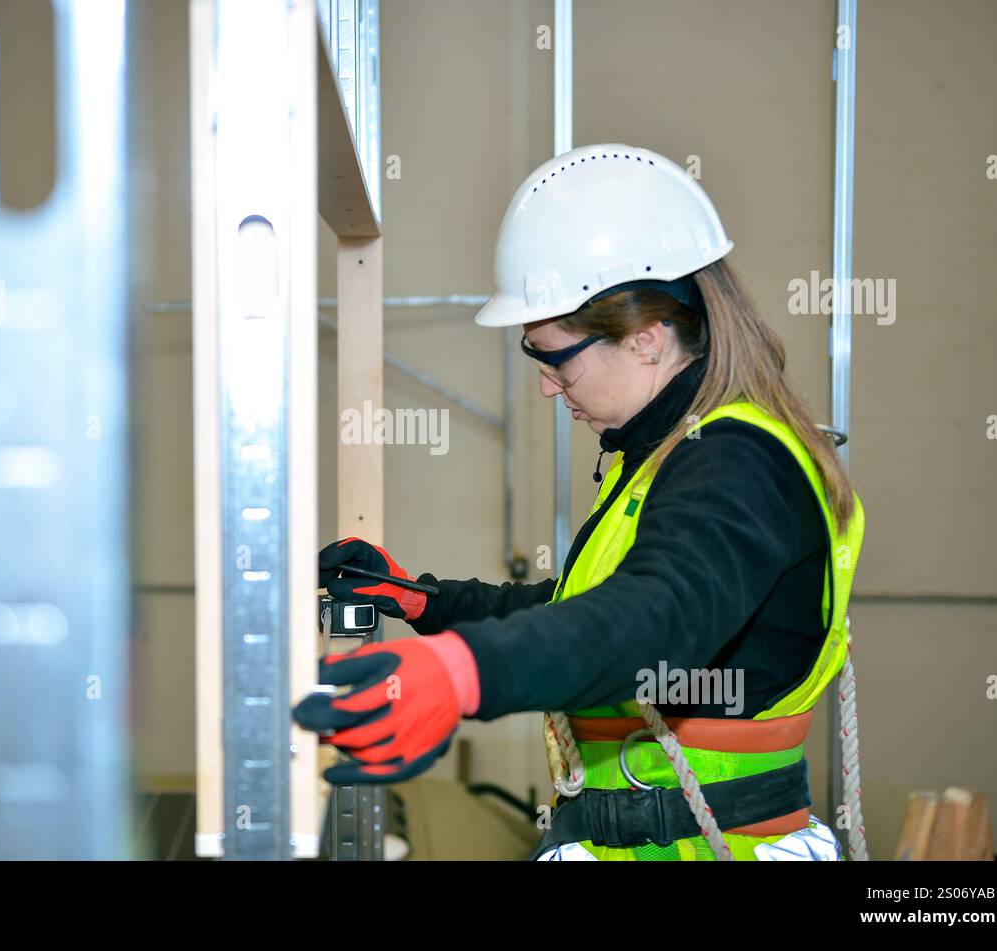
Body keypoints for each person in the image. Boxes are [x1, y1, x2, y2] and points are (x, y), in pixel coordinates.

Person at [292, 144, 865, 861]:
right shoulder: (670, 453)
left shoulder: (737, 462)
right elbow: (580, 606)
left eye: (555, 358)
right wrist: (423, 603)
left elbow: (652, 620)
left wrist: (462, 671)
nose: (545, 387)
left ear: (648, 340)